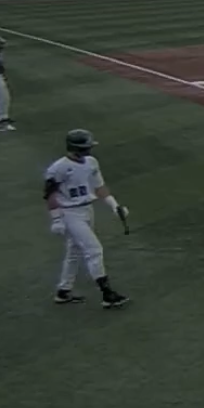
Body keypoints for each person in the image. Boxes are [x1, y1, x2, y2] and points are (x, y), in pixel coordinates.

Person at [43, 128, 130, 308]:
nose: (89, 150)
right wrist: (56, 218)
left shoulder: (91, 162)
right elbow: (50, 194)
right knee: (94, 249)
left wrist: (114, 205)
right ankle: (107, 294)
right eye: (86, 147)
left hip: (87, 210)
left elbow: (99, 187)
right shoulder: (58, 168)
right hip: (70, 214)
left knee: (74, 251)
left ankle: (63, 291)